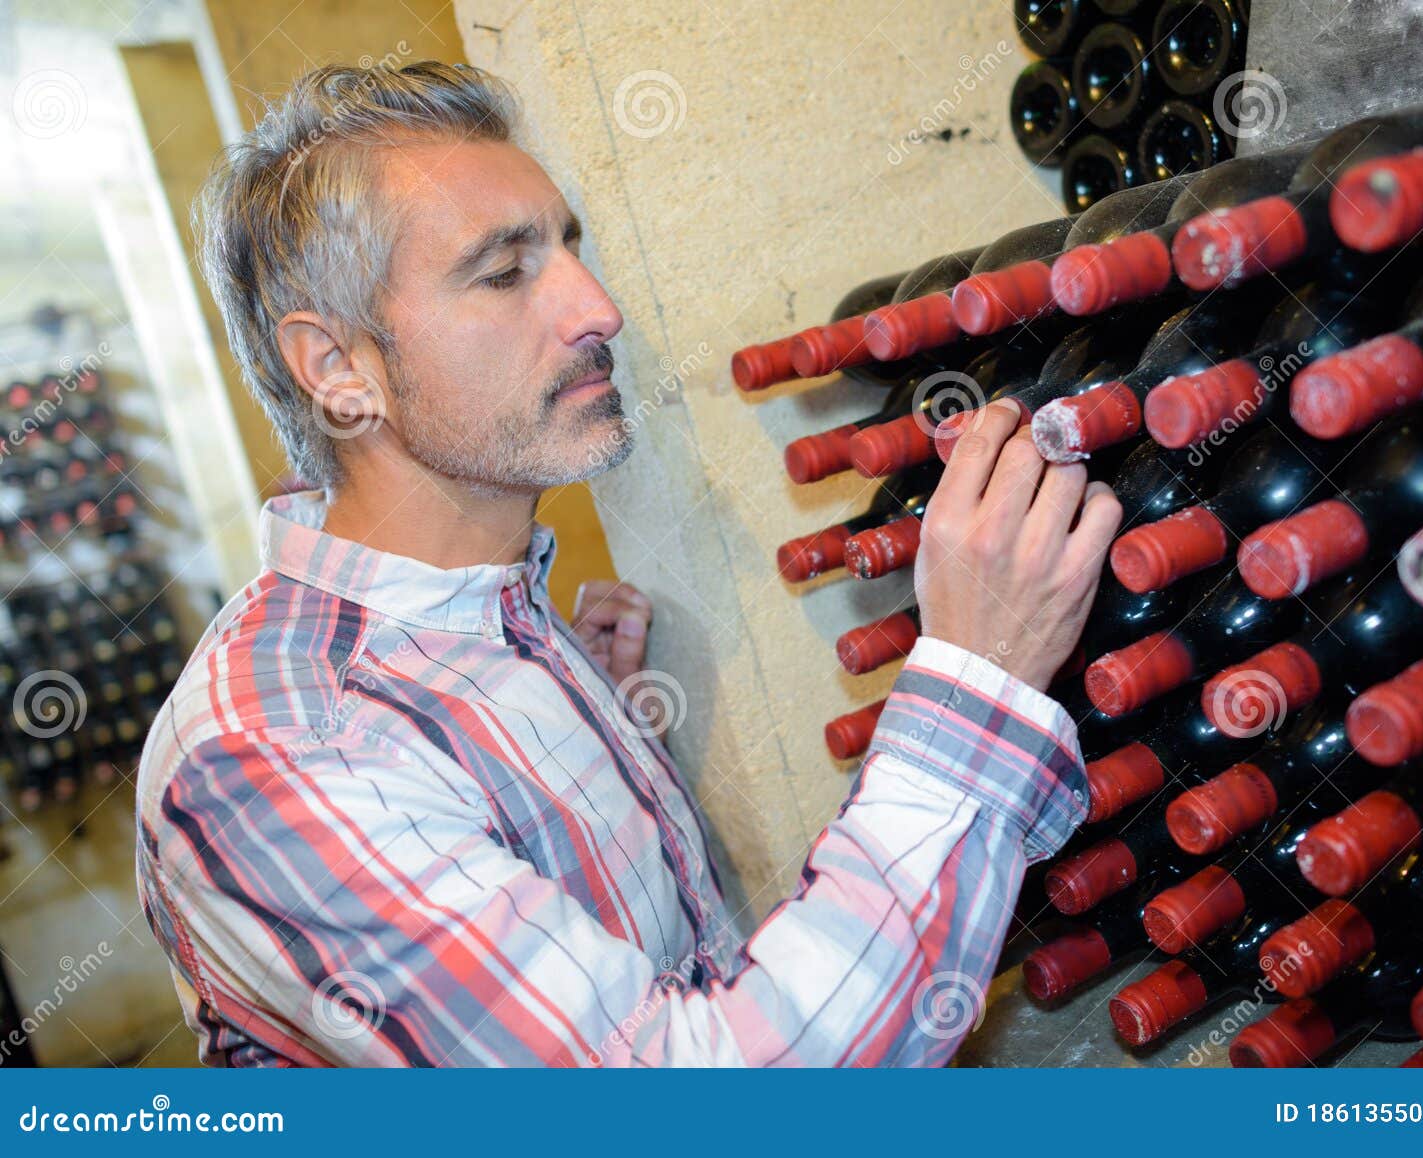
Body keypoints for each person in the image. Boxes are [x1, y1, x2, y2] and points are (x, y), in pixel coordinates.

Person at [135, 60, 1119, 1066]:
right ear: (339, 370)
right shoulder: (273, 755)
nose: (597, 308)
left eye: (569, 247)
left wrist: (544, 739)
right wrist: (979, 677)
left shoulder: (481, 628)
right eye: (504, 273)